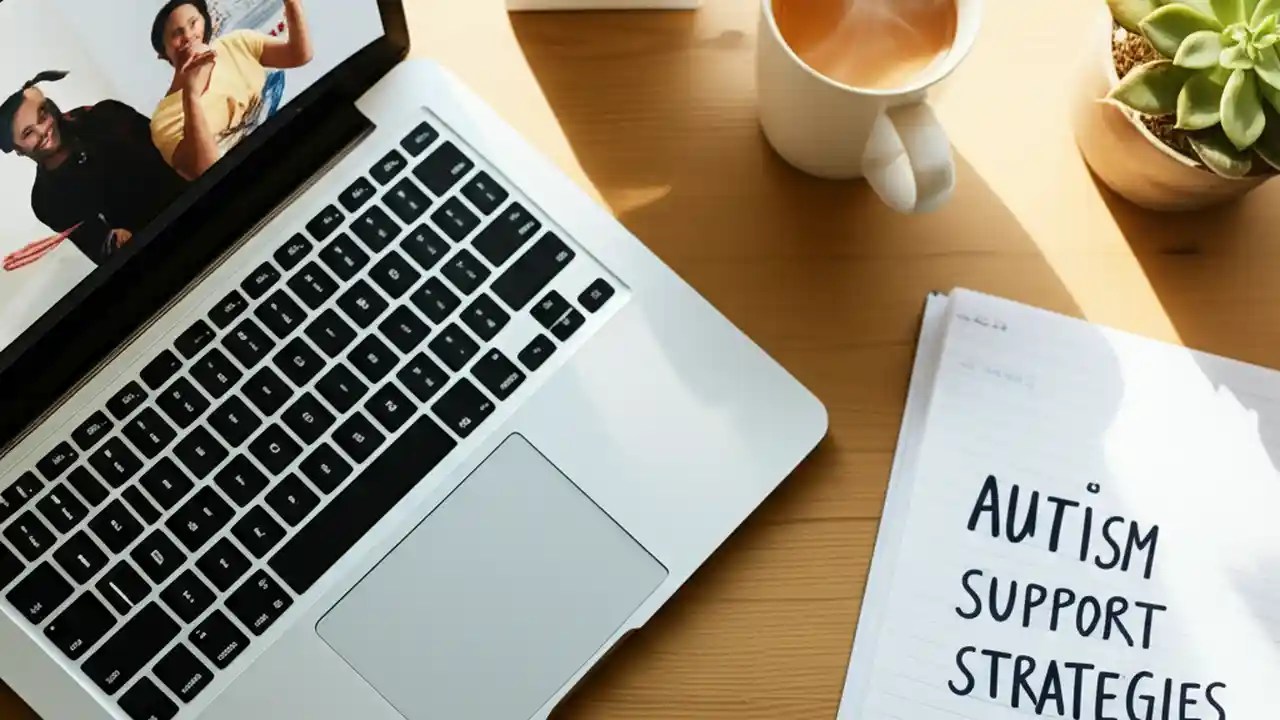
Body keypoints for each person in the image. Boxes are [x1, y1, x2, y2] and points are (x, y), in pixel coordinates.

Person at [0, 71, 187, 266]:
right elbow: (103, 251)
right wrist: (115, 243)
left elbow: (173, 153)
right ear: (17, 149)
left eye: (42, 115)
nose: (43, 131)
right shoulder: (45, 199)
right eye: (28, 132)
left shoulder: (106, 116)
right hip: (160, 256)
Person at [149, 0, 314, 181]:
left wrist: (292, 3)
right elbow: (207, 171)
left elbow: (298, 54)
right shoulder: (164, 119)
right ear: (163, 54)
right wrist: (191, 94)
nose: (188, 36)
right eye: (176, 34)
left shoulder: (236, 44)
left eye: (193, 23)